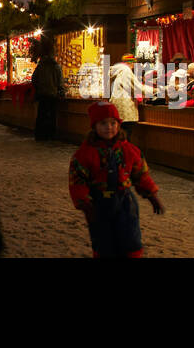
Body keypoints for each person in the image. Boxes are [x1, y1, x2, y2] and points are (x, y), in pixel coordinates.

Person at [69, 101, 163, 257]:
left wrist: (152, 196)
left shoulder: (129, 150)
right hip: (98, 203)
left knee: (131, 237)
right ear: (94, 126)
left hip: (125, 201)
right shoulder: (85, 154)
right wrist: (86, 205)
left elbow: (140, 174)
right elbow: (78, 180)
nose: (109, 127)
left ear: (119, 124)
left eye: (113, 123)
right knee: (103, 241)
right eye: (103, 123)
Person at [108, 54, 148, 142]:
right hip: (126, 111)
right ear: (132, 63)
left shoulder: (118, 72)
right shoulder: (126, 71)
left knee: (119, 135)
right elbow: (137, 88)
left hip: (118, 109)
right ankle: (122, 150)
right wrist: (157, 90)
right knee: (125, 137)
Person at [31, 45, 64, 141]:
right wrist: (60, 91)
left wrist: (38, 88)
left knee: (41, 115)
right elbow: (60, 81)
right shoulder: (56, 67)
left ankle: (40, 135)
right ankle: (50, 135)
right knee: (52, 116)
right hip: (53, 94)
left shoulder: (40, 66)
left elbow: (34, 79)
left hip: (42, 94)